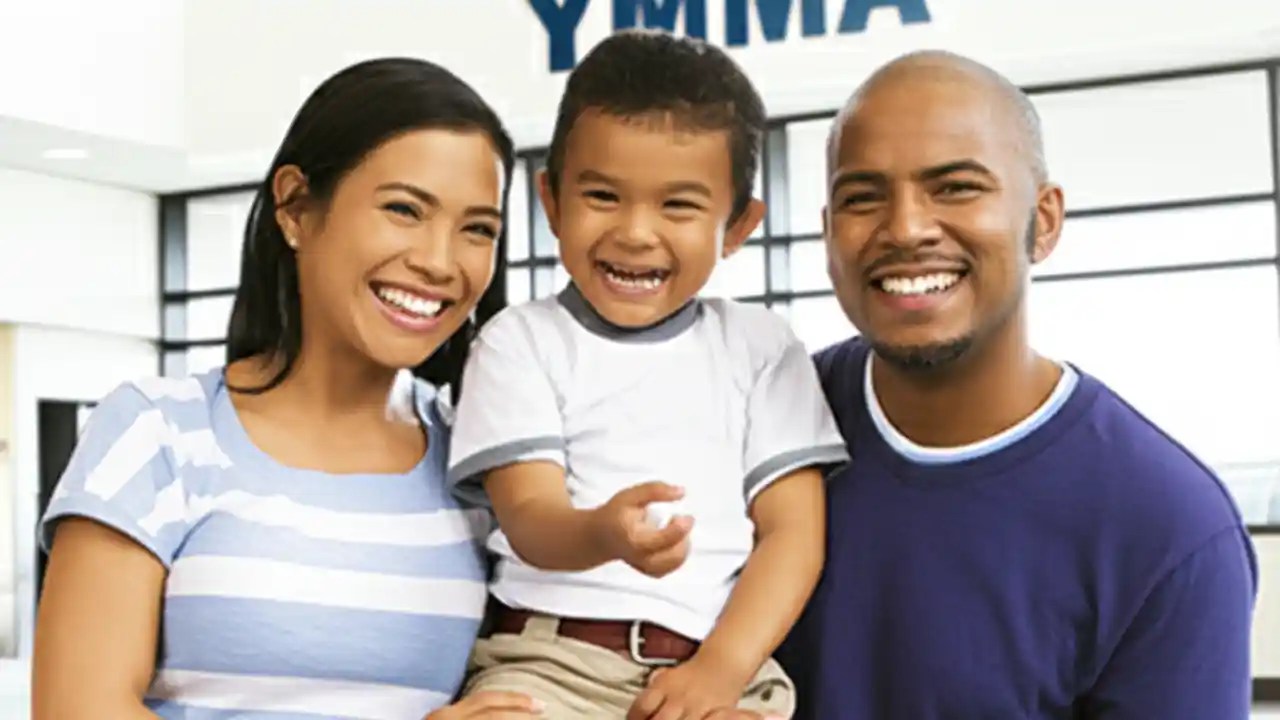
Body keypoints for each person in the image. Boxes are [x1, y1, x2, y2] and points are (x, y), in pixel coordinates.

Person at [32, 57, 546, 719]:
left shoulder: (480, 459)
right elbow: (79, 710)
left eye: (478, 229)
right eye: (403, 210)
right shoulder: (156, 432)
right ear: (296, 206)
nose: (440, 262)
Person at [776, 50, 1259, 719]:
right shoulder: (757, 426)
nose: (907, 228)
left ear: (1045, 221)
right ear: (829, 235)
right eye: (863, 197)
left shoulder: (1166, 528)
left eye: (956, 188)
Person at [446, 31, 848, 720]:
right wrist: (605, 533)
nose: (635, 232)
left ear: (738, 226)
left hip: (722, 670)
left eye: (678, 206)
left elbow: (794, 535)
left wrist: (720, 670)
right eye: (602, 195)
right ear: (551, 201)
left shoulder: (761, 347)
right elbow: (532, 517)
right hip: (552, 667)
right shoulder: (519, 341)